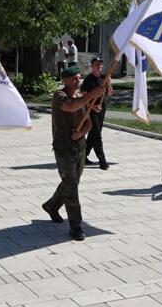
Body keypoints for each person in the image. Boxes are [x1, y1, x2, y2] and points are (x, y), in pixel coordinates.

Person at [42, 65, 108, 240]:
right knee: (71, 186)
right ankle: (76, 225)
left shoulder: (81, 96)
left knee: (72, 182)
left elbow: (88, 122)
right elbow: (70, 107)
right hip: (64, 148)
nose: (77, 81)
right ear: (65, 80)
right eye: (74, 78)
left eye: (79, 77)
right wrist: (91, 95)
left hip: (80, 147)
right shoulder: (59, 96)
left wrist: (81, 132)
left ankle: (51, 205)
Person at [80, 56, 113, 170]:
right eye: (97, 64)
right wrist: (92, 107)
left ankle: (83, 156)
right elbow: (83, 97)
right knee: (97, 135)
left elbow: (109, 94)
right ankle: (102, 161)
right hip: (91, 110)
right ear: (92, 66)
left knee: (93, 134)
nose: (99, 66)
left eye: (101, 64)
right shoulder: (88, 79)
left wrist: (109, 84)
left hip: (102, 109)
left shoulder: (104, 78)